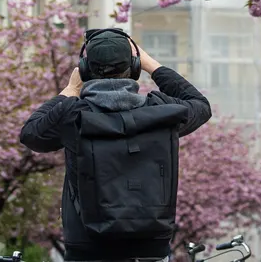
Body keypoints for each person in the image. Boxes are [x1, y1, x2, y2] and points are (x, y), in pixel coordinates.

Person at [19, 28, 211, 262]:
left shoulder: (73, 117)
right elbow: (200, 105)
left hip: (87, 246)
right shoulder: (163, 112)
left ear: (85, 69)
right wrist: (152, 65)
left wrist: (70, 91)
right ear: (135, 66)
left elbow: (31, 134)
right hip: (151, 247)